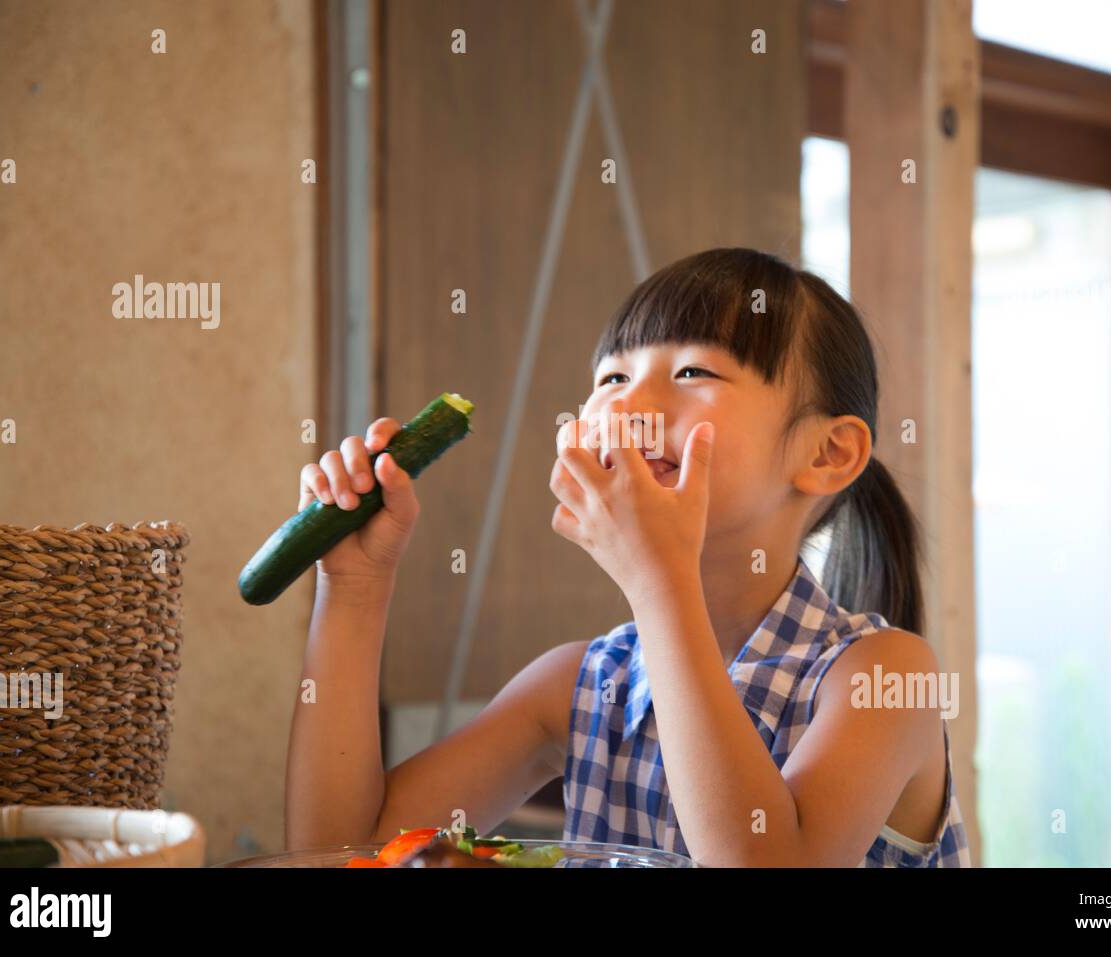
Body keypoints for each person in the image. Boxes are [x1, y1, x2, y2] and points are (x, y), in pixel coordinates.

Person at [285, 247, 971, 867]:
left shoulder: (886, 676)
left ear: (828, 453)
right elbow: (339, 854)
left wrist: (658, 580)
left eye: (694, 370)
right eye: (611, 377)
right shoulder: (580, 685)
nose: (627, 406)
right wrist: (354, 586)